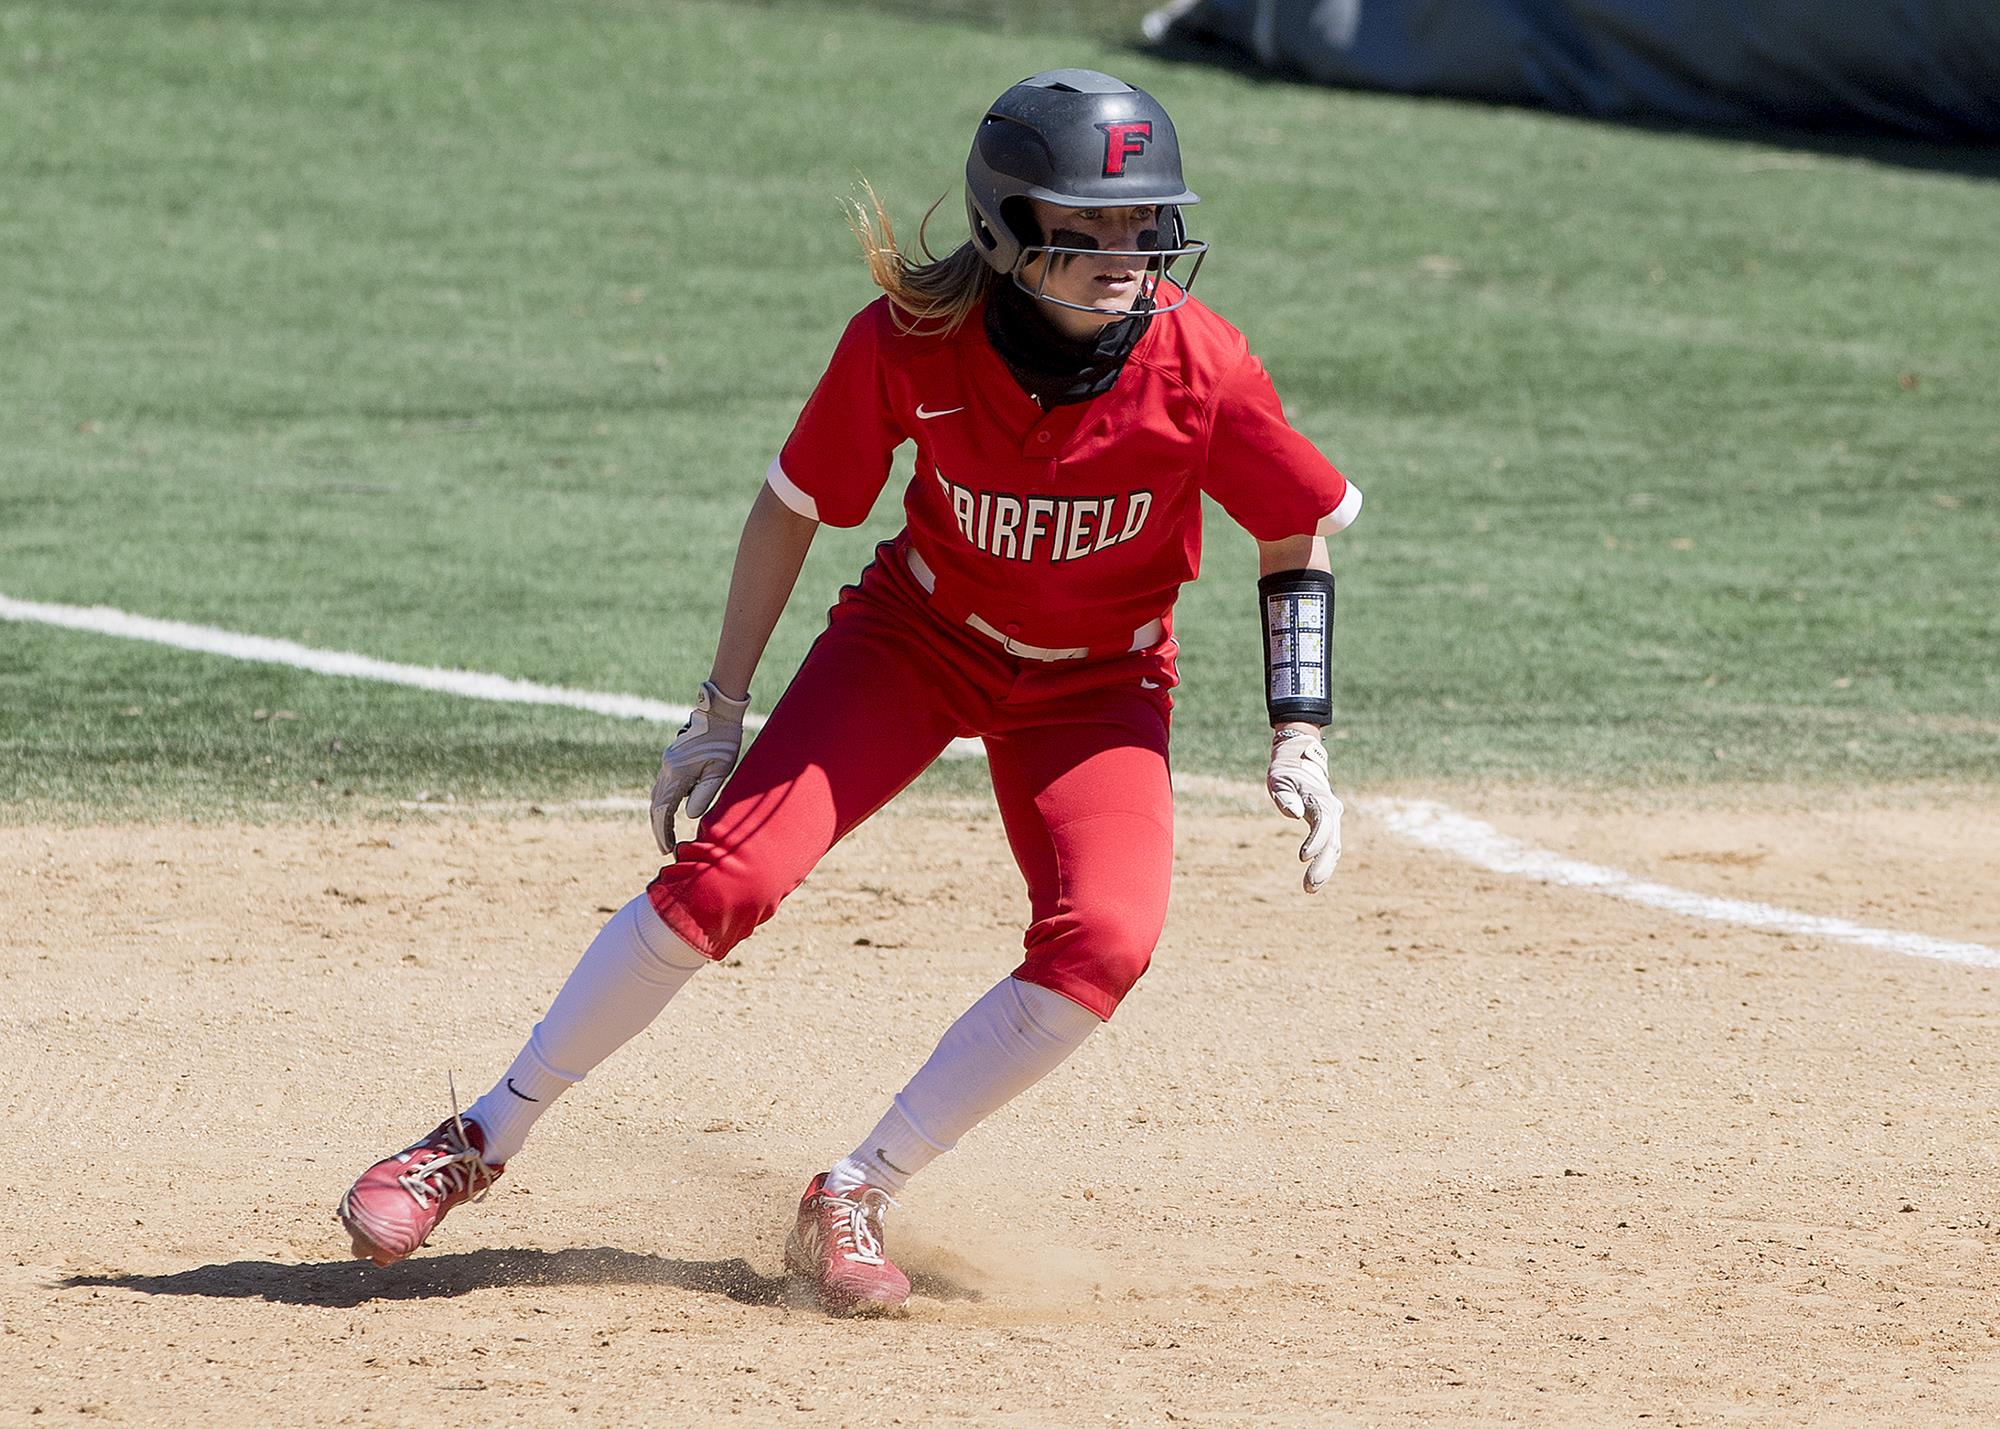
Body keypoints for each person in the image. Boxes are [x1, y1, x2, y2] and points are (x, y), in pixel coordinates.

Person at [336, 68, 1361, 1317]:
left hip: (1096, 688)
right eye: (1081, 224)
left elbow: (1296, 524)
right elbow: (792, 509)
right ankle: (476, 1138)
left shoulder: (1200, 365)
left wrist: (1298, 728)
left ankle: (857, 1188)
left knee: (1107, 940)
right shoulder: (909, 342)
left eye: (1140, 223)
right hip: (914, 641)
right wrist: (719, 705)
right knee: (726, 877)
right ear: (999, 228)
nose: (1121, 253)